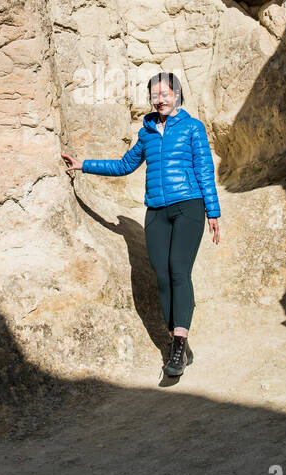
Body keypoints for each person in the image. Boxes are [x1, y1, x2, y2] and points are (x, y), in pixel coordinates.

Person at [61, 73, 221, 379]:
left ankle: (178, 345)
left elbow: (204, 170)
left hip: (189, 206)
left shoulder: (192, 127)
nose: (159, 100)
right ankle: (179, 340)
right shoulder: (147, 132)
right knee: (161, 277)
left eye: (165, 93)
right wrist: (84, 164)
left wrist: (212, 212)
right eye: (154, 95)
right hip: (156, 212)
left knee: (178, 270)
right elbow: (124, 165)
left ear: (177, 94)